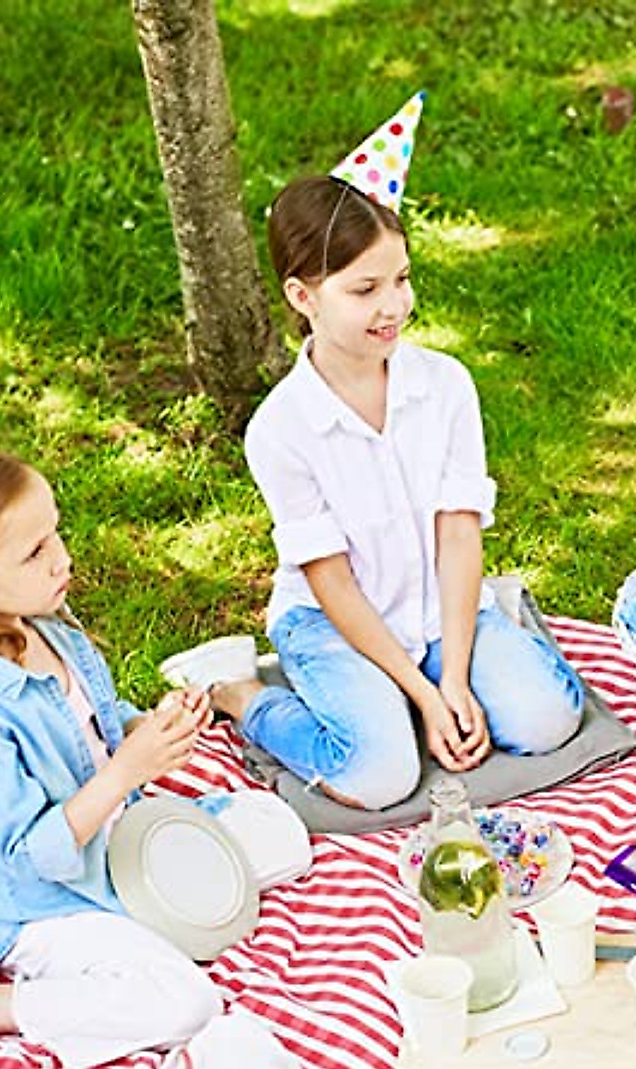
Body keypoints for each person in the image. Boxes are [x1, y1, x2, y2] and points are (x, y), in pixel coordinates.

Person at [208, 98, 585, 812]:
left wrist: (456, 679)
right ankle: (248, 698)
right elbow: (330, 580)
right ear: (303, 296)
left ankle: (458, 659)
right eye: (365, 289)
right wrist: (425, 694)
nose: (394, 306)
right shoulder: (280, 429)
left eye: (402, 278)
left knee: (548, 721)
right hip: (332, 620)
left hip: (436, 604)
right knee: (378, 777)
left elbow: (459, 532)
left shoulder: (445, 386)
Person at [0, 445, 222, 1069]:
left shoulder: (41, 623)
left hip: (117, 840)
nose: (62, 558)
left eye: (56, 533)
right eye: (34, 551)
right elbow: (28, 858)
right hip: (44, 904)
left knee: (275, 835)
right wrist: (127, 771)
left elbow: (96, 718)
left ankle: (149, 917)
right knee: (186, 1003)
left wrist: (152, 729)